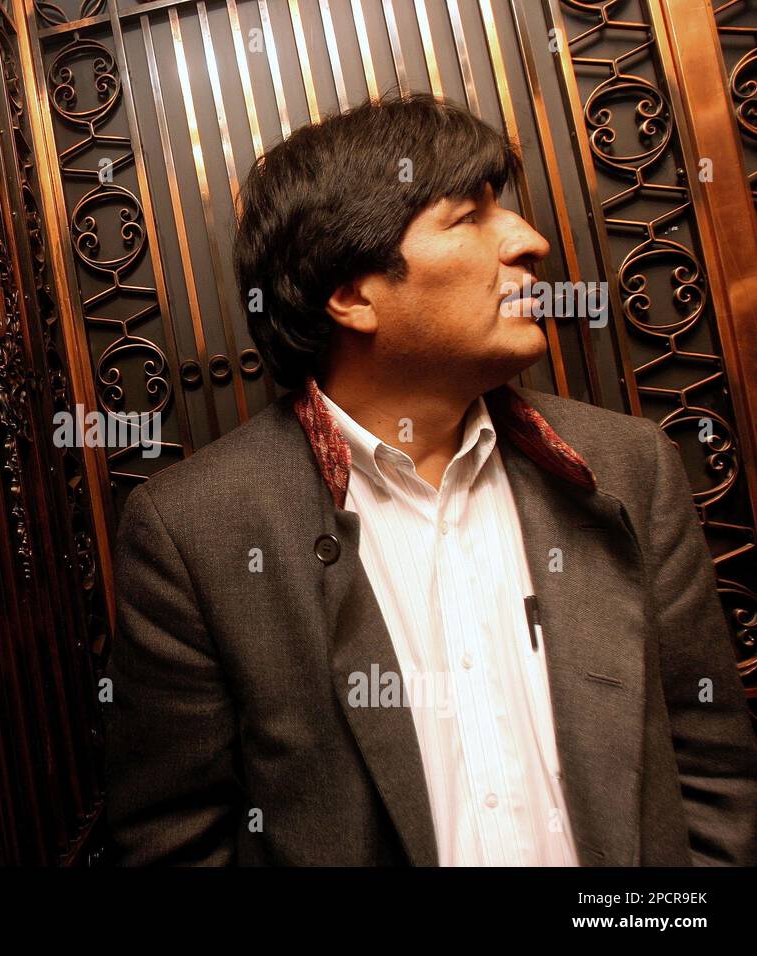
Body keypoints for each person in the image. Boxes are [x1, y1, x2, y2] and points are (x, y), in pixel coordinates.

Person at [104, 93, 757, 866]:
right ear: (351, 294)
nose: (530, 242)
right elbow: (172, 839)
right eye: (468, 218)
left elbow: (714, 773)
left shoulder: (626, 466)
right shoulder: (197, 532)